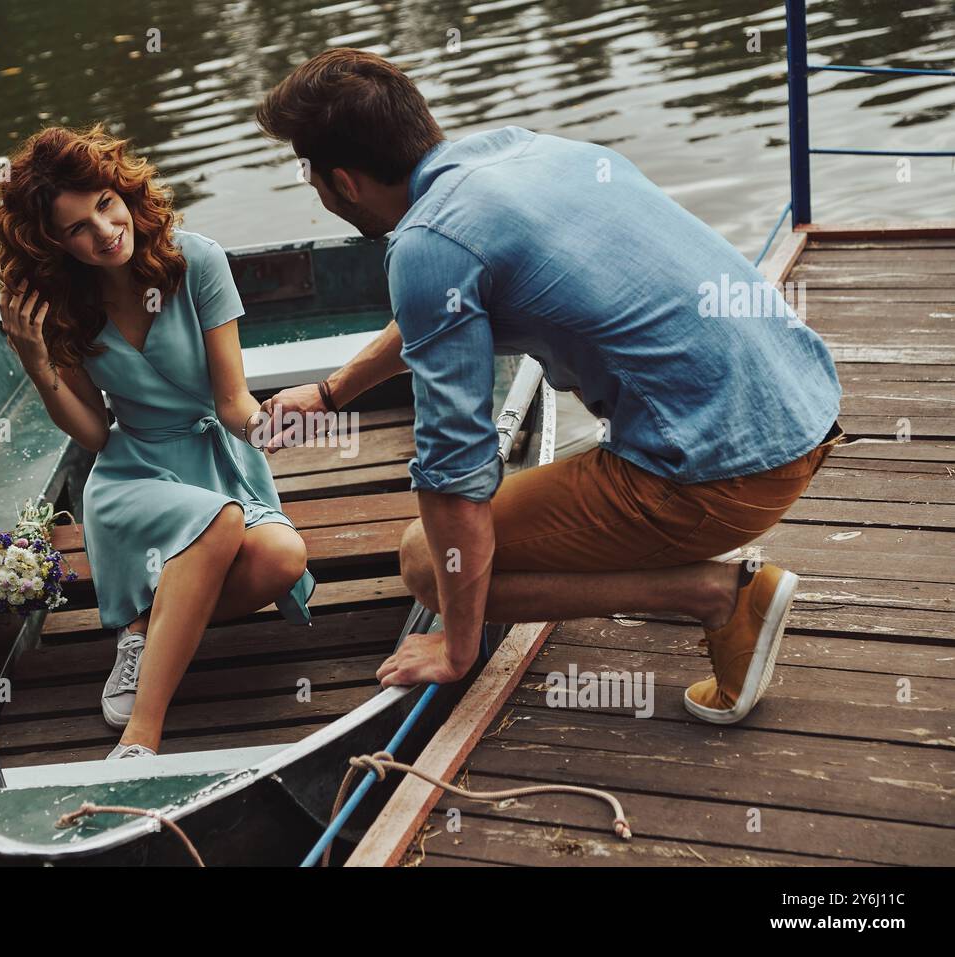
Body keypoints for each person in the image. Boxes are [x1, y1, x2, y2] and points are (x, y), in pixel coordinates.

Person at [255, 50, 843, 725]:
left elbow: (454, 477)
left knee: (426, 561)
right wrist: (333, 392)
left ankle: (717, 594)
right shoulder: (522, 151)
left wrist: (457, 640)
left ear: (343, 183)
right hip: (802, 409)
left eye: (314, 185)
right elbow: (432, 321)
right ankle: (698, 558)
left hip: (724, 474)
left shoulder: (424, 244)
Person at [0, 124, 315, 758]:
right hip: (131, 474)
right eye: (78, 227)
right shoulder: (65, 304)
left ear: (124, 192)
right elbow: (92, 431)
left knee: (282, 558)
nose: (104, 231)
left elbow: (232, 403)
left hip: (219, 460)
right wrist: (36, 362)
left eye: (105, 205)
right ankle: (143, 736)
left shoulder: (196, 262)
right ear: (54, 244)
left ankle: (143, 627)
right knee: (218, 524)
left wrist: (273, 427)